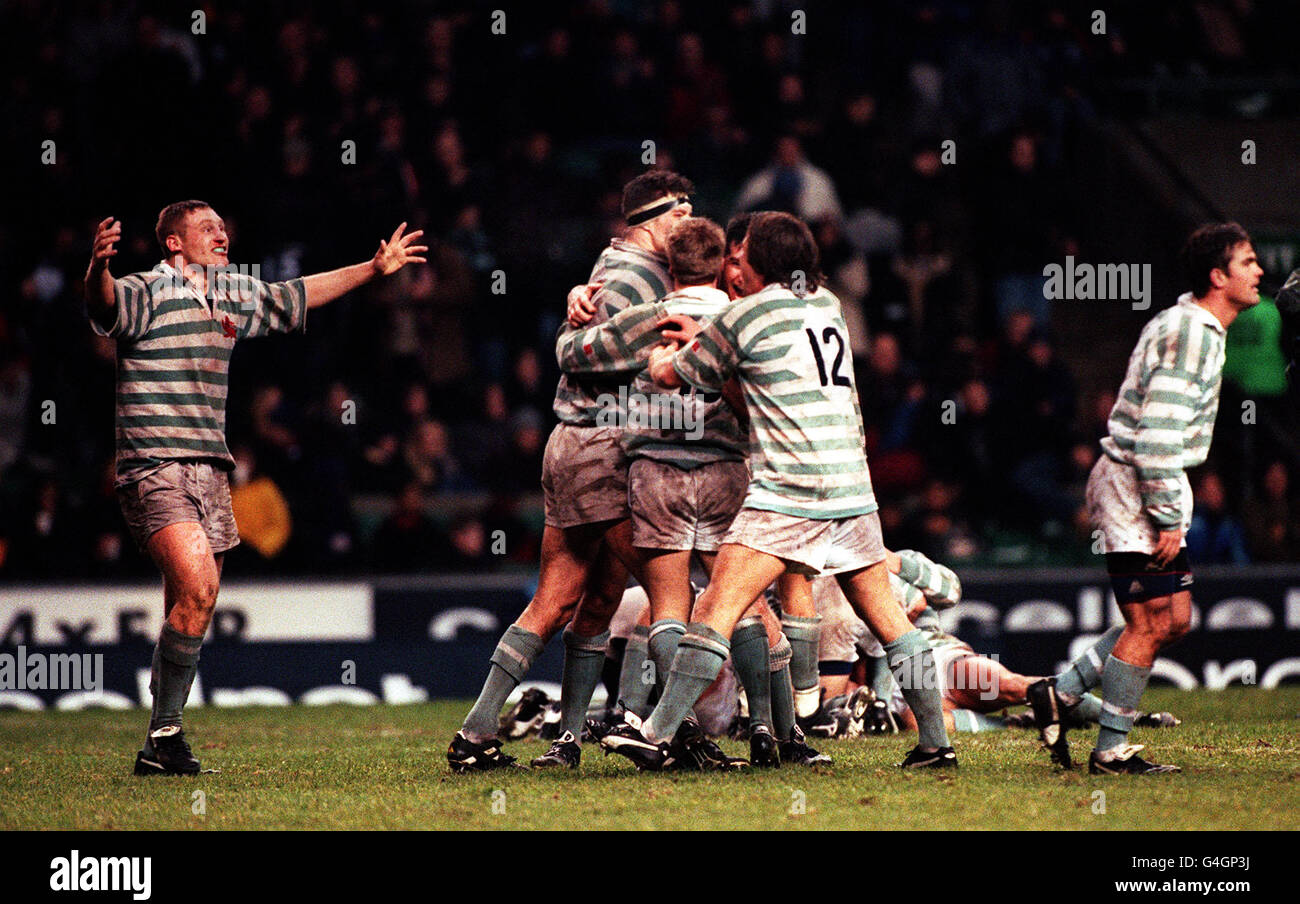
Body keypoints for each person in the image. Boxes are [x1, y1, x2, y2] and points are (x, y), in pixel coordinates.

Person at [599, 211, 956, 770]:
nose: (732, 265)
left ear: (760, 262)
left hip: (790, 489)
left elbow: (675, 377)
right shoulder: (828, 305)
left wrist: (663, 353)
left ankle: (658, 731)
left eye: (740, 256)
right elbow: (756, 380)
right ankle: (937, 744)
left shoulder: (746, 315)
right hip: (851, 485)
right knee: (890, 621)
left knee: (717, 604)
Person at [85, 202, 426, 775]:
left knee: (188, 602)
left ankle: (159, 743)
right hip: (155, 466)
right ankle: (166, 733)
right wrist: (96, 268)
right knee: (198, 589)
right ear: (173, 243)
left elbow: (297, 294)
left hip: (213, 472)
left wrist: (371, 268)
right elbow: (104, 304)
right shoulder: (143, 291)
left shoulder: (232, 293)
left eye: (223, 226)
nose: (222, 234)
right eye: (207, 228)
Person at [446, 170, 695, 773]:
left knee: (575, 599)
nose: (688, 224)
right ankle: (675, 734)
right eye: (681, 214)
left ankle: (493, 737)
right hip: (601, 446)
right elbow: (579, 354)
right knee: (672, 595)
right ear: (653, 219)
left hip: (579, 444)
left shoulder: (622, 272)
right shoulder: (632, 277)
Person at [1028, 222, 1261, 774]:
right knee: (1148, 623)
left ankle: (1059, 694)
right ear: (1217, 275)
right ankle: (1109, 751)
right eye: (1248, 261)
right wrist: (1168, 517)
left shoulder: (1194, 323)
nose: (1259, 272)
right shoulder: (1196, 331)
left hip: (1148, 477)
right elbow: (1157, 433)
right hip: (1136, 480)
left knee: (1174, 619)